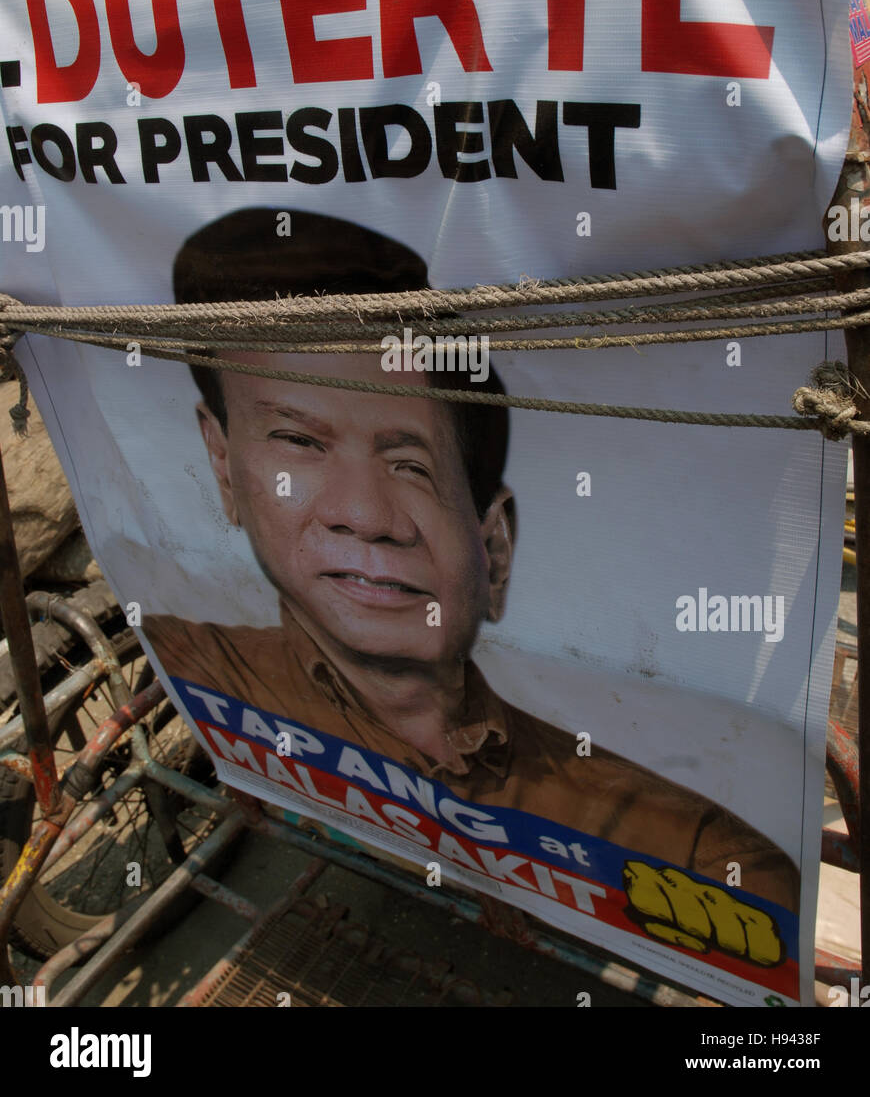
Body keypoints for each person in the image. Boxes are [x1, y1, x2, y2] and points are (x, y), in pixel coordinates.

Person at [143, 208, 800, 924]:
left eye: (411, 465)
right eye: (300, 441)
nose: (363, 514)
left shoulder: (695, 853)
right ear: (222, 461)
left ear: (494, 547)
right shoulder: (195, 665)